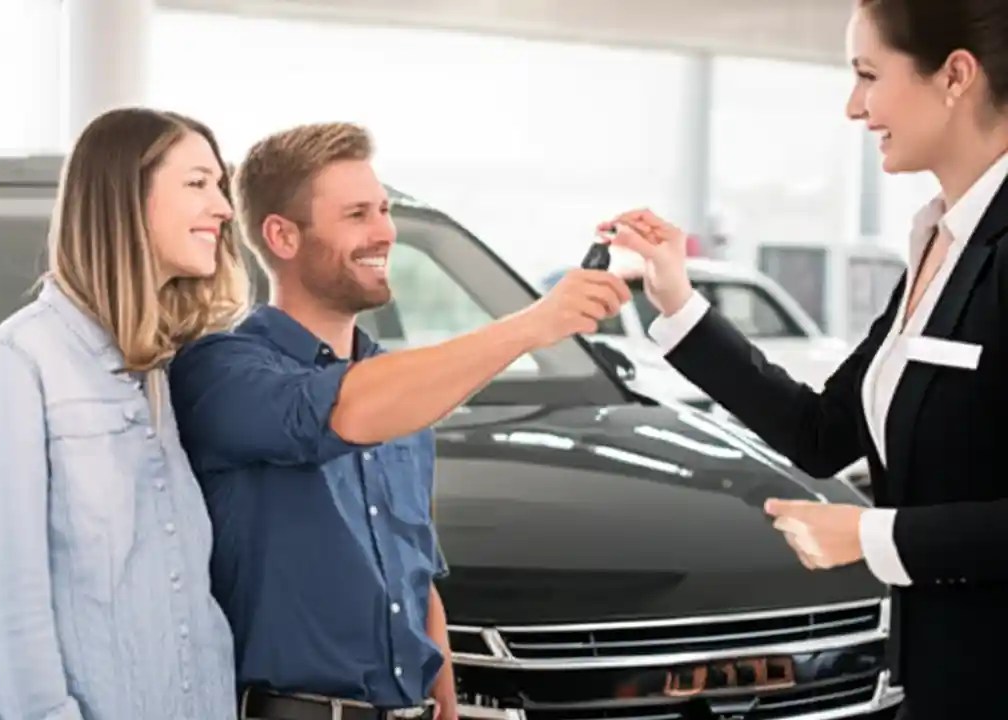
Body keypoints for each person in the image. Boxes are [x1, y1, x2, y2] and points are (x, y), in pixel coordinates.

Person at [602, 1, 1008, 716]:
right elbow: (823, 432)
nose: (855, 108)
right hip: (939, 679)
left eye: (867, 75)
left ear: (955, 76)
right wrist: (679, 303)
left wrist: (869, 536)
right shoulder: (936, 244)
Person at [168, 121, 629, 720]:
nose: (384, 231)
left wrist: (441, 679)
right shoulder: (221, 371)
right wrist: (532, 325)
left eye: (383, 210)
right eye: (356, 214)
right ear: (281, 235)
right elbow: (339, 410)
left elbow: (413, 562)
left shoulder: (400, 387)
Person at [0, 107, 248, 720]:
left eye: (220, 186)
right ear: (124, 200)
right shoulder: (20, 364)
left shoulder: (159, 370)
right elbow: (3, 610)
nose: (223, 207)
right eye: (197, 184)